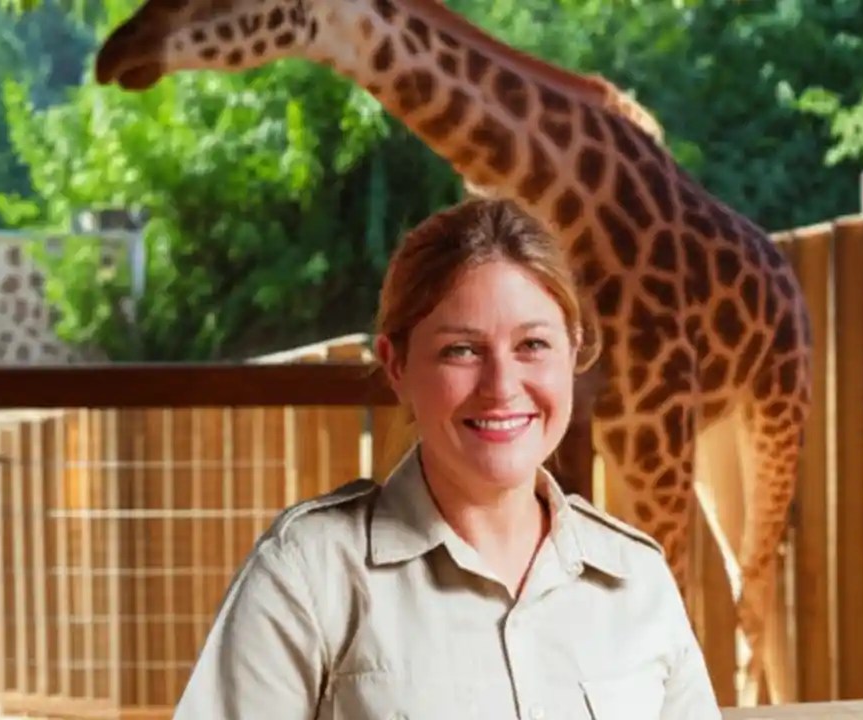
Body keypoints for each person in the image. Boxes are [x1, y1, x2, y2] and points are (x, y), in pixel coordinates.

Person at [173, 197, 722, 719]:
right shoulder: (309, 575)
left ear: (573, 351)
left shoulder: (636, 579)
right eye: (461, 350)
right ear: (396, 366)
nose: (502, 387)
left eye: (533, 345)